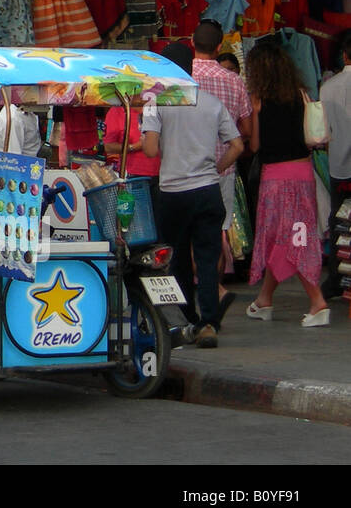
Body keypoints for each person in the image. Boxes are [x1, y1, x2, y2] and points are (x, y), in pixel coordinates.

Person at [141, 42, 244, 348]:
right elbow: (237, 146)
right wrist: (216, 167)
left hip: (174, 193)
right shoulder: (212, 103)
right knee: (208, 257)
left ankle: (187, 321)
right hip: (208, 190)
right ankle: (210, 322)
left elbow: (149, 150)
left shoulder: (156, 104)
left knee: (179, 261)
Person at [243, 43, 330, 326]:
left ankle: (317, 302)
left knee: (288, 239)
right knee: (294, 235)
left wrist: (255, 114)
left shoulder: (259, 99)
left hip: (276, 180)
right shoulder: (301, 94)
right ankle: (264, 300)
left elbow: (255, 145)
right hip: (304, 176)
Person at [190, 21, 252, 320]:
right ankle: (213, 291)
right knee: (215, 234)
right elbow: (247, 129)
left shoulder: (181, 76)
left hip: (186, 169)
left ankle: (204, 295)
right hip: (223, 170)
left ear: (192, 43)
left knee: (188, 235)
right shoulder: (235, 81)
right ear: (219, 48)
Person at [319, 31, 351, 297]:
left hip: (339, 165)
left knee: (339, 221)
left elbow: (323, 131)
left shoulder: (327, 87)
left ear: (344, 55)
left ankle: (336, 278)